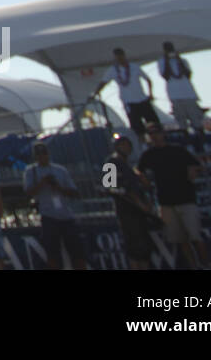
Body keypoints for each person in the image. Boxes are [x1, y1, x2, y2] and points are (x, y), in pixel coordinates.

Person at [137, 123, 207, 269]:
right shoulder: (149, 155)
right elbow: (138, 170)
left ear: (163, 133)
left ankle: (206, 265)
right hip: (166, 202)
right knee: (180, 240)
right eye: (151, 134)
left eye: (156, 132)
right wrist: (144, 181)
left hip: (186, 198)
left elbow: (197, 164)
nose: (154, 136)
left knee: (196, 237)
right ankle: (194, 266)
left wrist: (193, 172)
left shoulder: (177, 150)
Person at [23, 141, 86, 270]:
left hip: (66, 215)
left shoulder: (60, 170)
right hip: (48, 216)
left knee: (77, 252)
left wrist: (58, 187)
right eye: (39, 155)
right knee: (52, 253)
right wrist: (42, 183)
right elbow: (28, 192)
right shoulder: (31, 171)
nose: (42, 157)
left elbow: (74, 192)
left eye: (44, 154)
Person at [104, 133, 154, 270]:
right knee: (135, 247)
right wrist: (136, 201)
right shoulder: (111, 162)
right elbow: (110, 187)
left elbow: (139, 186)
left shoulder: (129, 165)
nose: (126, 148)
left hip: (137, 211)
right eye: (123, 145)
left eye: (128, 145)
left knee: (143, 247)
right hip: (126, 210)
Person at [95, 48, 161, 141]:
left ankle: (158, 141)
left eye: (121, 56)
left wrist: (150, 94)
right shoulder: (112, 70)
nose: (120, 59)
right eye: (117, 57)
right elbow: (103, 82)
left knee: (154, 124)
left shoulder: (134, 66)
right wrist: (95, 93)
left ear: (124, 55)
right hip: (129, 102)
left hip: (142, 99)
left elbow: (148, 80)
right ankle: (143, 145)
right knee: (137, 128)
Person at [158, 42, 206, 147]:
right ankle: (189, 144)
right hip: (175, 96)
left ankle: (203, 143)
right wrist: (167, 60)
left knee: (196, 121)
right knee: (182, 122)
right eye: (167, 49)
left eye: (170, 49)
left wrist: (178, 60)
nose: (170, 51)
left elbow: (188, 74)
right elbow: (165, 76)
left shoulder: (183, 60)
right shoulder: (161, 62)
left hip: (188, 94)